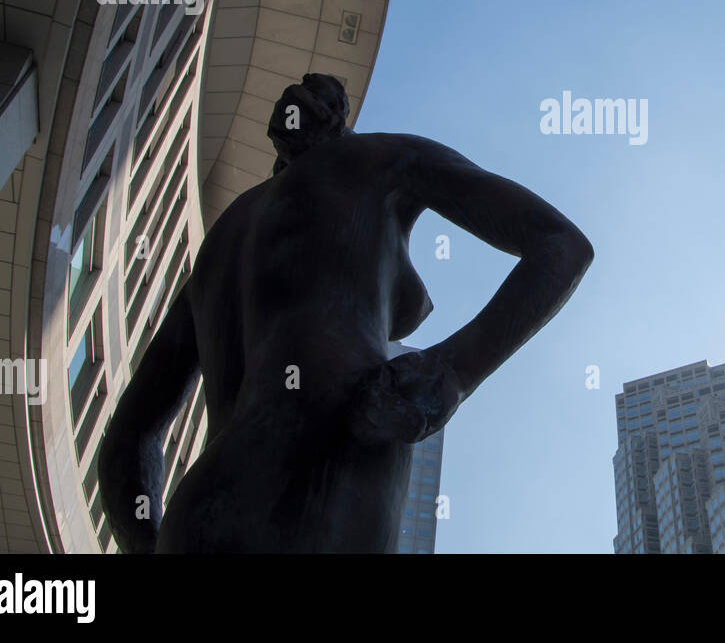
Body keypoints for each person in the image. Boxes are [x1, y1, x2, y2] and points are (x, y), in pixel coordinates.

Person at [99, 73, 593, 552]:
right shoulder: (381, 160)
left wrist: (150, 545)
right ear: (339, 123)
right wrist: (453, 370)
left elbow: (127, 440)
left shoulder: (222, 242)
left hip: (203, 505)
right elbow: (561, 245)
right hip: (334, 456)